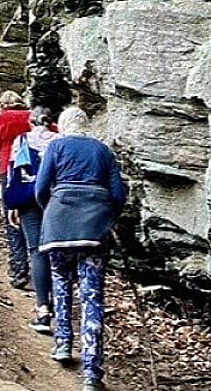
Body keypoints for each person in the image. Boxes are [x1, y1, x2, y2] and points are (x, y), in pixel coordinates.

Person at [36, 105, 126, 391]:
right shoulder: (103, 151)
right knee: (92, 296)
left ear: (62, 126)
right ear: (87, 126)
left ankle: (63, 343)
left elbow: (40, 188)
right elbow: (118, 194)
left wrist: (51, 209)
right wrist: (107, 217)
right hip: (94, 230)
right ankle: (92, 373)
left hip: (59, 226)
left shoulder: (56, 146)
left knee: (60, 281)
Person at [7, 106, 61, 334]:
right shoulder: (61, 141)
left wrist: (12, 204)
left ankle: (43, 308)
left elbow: (14, 173)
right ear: (51, 122)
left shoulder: (21, 140)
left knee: (37, 251)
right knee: (57, 251)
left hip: (29, 201)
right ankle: (62, 305)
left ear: (31, 122)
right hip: (56, 199)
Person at [0, 91, 33, 288]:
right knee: (35, 220)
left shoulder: (2, 119)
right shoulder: (32, 116)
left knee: (13, 221)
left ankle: (19, 271)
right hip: (35, 173)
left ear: (2, 105)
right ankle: (39, 270)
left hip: (9, 172)